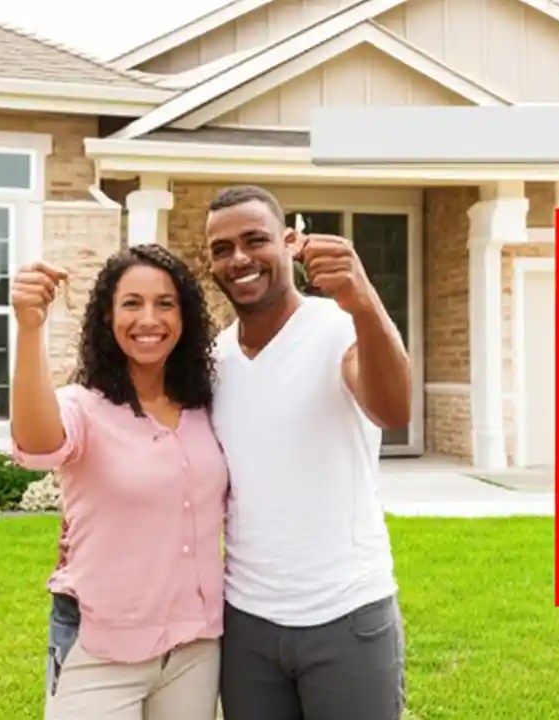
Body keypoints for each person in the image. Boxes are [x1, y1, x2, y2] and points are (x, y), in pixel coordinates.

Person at [205, 185, 412, 720]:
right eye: (222, 249)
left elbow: (394, 410)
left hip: (346, 614)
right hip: (247, 623)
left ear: (290, 242)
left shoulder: (337, 328)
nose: (239, 259)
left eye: (255, 240)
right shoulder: (215, 359)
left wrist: (363, 299)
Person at [9, 243, 228, 719]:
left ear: (184, 317)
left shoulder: (204, 408)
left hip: (194, 648)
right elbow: (37, 443)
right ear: (108, 318)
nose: (149, 319)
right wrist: (29, 328)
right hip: (99, 650)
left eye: (165, 303)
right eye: (131, 303)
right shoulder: (83, 406)